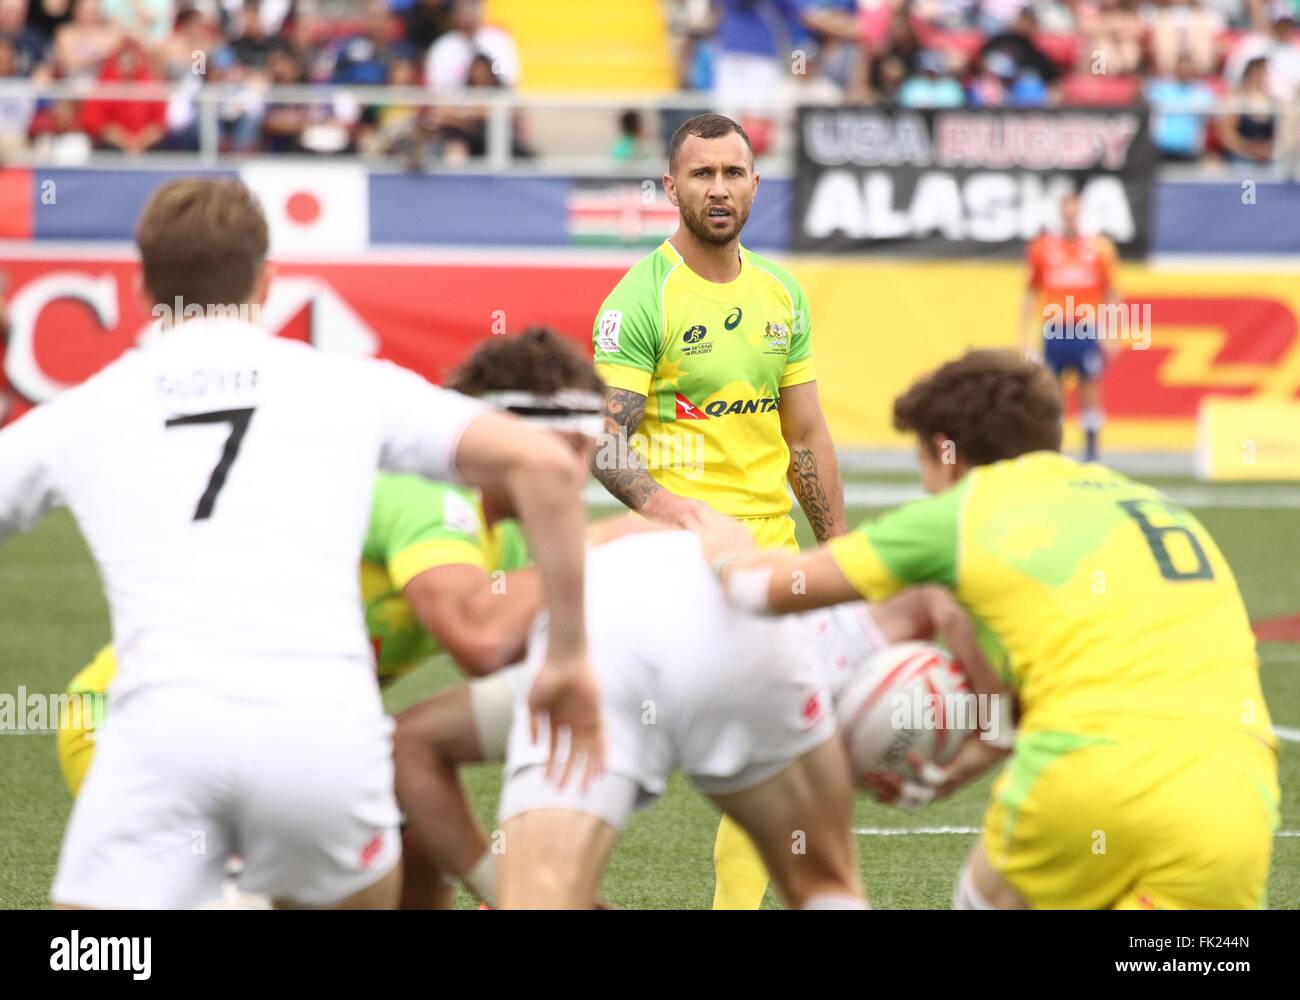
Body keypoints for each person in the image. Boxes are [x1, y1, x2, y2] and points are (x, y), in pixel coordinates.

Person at [0, 178, 599, 909]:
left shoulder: (84, 411)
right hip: (322, 739)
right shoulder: (351, 387)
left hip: (161, 735)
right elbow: (540, 464)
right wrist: (569, 655)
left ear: (140, 287)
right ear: (267, 280)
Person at [692, 350, 1279, 910]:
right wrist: (968, 760)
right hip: (1239, 792)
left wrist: (715, 545)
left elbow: (767, 590)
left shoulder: (966, 511)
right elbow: (1068, 672)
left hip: (1087, 773)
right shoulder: (1154, 506)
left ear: (947, 453)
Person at [590, 111, 846, 910]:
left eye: (733, 172)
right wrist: (676, 514)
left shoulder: (782, 295)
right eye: (701, 174)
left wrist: (837, 552)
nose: (719, 188)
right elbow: (605, 443)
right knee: (609, 746)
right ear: (671, 188)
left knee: (784, 760)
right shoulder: (641, 298)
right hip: (673, 558)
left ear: (755, 183)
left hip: (768, 560)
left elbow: (804, 434)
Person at [1020, 191, 1121, 463]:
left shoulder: (1099, 249)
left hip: (1084, 328)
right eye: (1066, 213)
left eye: (1075, 213)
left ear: (1081, 215)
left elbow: (1112, 292)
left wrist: (1113, 332)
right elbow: (1030, 293)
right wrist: (1025, 337)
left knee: (1090, 391)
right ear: (1060, 215)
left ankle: (1091, 453)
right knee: (1051, 394)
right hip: (1055, 328)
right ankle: (1053, 450)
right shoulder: (1042, 248)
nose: (1071, 218)